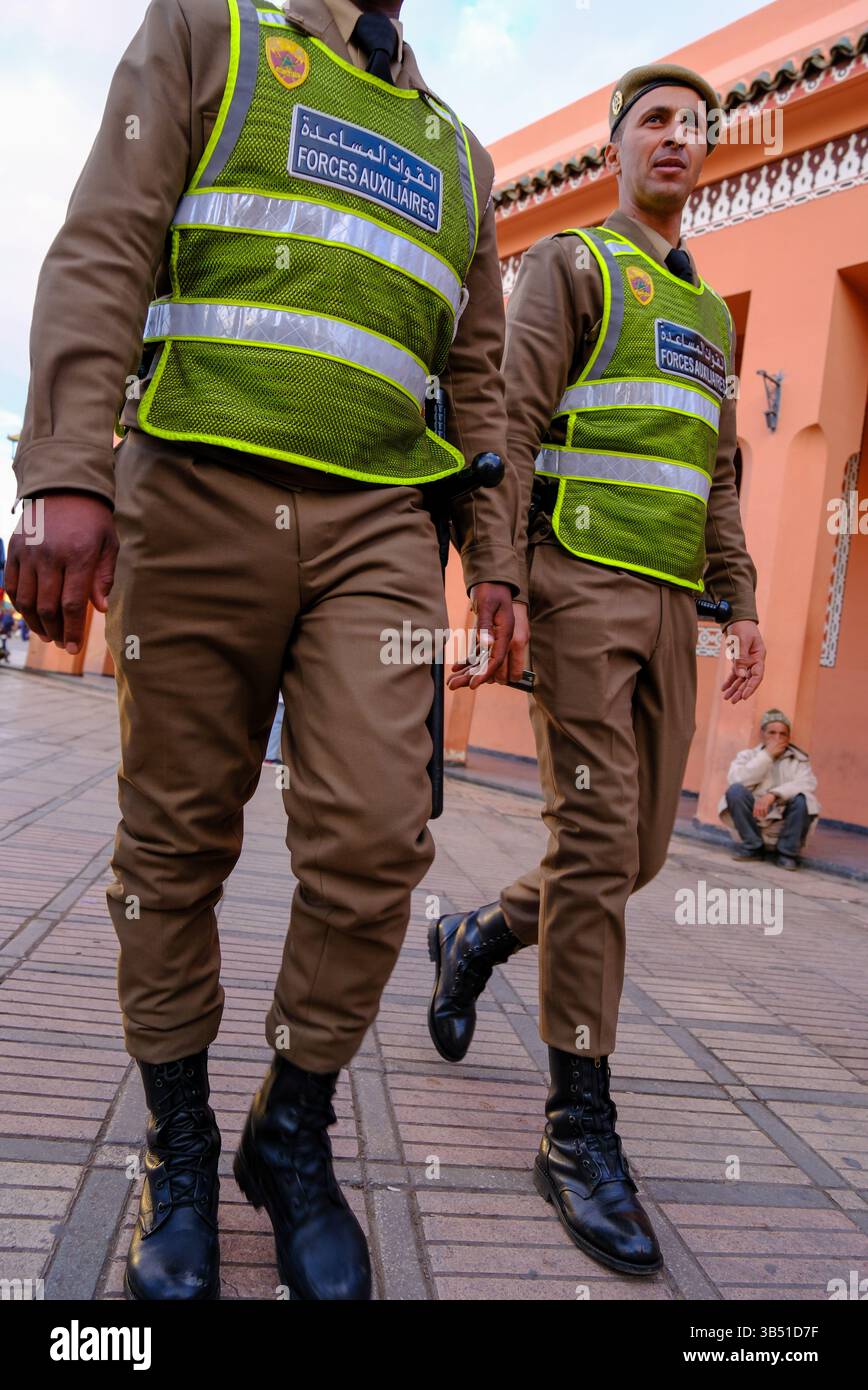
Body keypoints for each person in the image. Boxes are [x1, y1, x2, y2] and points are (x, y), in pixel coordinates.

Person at [7, 0, 524, 1301]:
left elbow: (479, 376)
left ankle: (289, 1129)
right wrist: (68, 461)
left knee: (376, 838)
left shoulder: (457, 150)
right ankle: (177, 1151)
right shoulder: (206, 31)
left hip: (380, 523)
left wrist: (501, 559)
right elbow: (107, 242)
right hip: (194, 487)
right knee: (174, 841)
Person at [431, 63, 767, 1276]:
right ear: (616, 148)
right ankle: (576, 1123)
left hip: (673, 602)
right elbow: (512, 421)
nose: (677, 138)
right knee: (593, 838)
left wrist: (741, 597)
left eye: (695, 126)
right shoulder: (572, 265)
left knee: (639, 850)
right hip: (576, 580)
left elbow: (713, 468)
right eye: (653, 123)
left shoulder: (713, 316)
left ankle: (474, 935)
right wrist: (500, 578)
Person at [720, 709, 818, 869]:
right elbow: (737, 779)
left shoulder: (799, 760)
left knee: (804, 799)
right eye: (772, 733)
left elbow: (807, 783)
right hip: (755, 815)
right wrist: (766, 756)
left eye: (782, 734)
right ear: (762, 733)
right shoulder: (747, 756)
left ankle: (787, 853)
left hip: (782, 816)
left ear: (788, 737)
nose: (777, 738)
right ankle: (752, 846)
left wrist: (773, 795)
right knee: (735, 791)